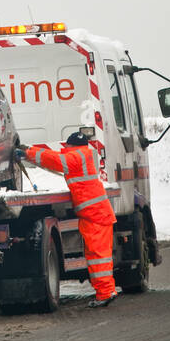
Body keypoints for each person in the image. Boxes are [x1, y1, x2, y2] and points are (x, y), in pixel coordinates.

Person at [18, 130, 118, 307]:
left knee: (98, 256)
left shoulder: (78, 156)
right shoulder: (82, 155)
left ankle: (105, 292)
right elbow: (56, 158)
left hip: (95, 214)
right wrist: (29, 151)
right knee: (97, 256)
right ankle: (105, 291)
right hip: (95, 214)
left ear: (71, 146)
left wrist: (28, 153)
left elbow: (56, 160)